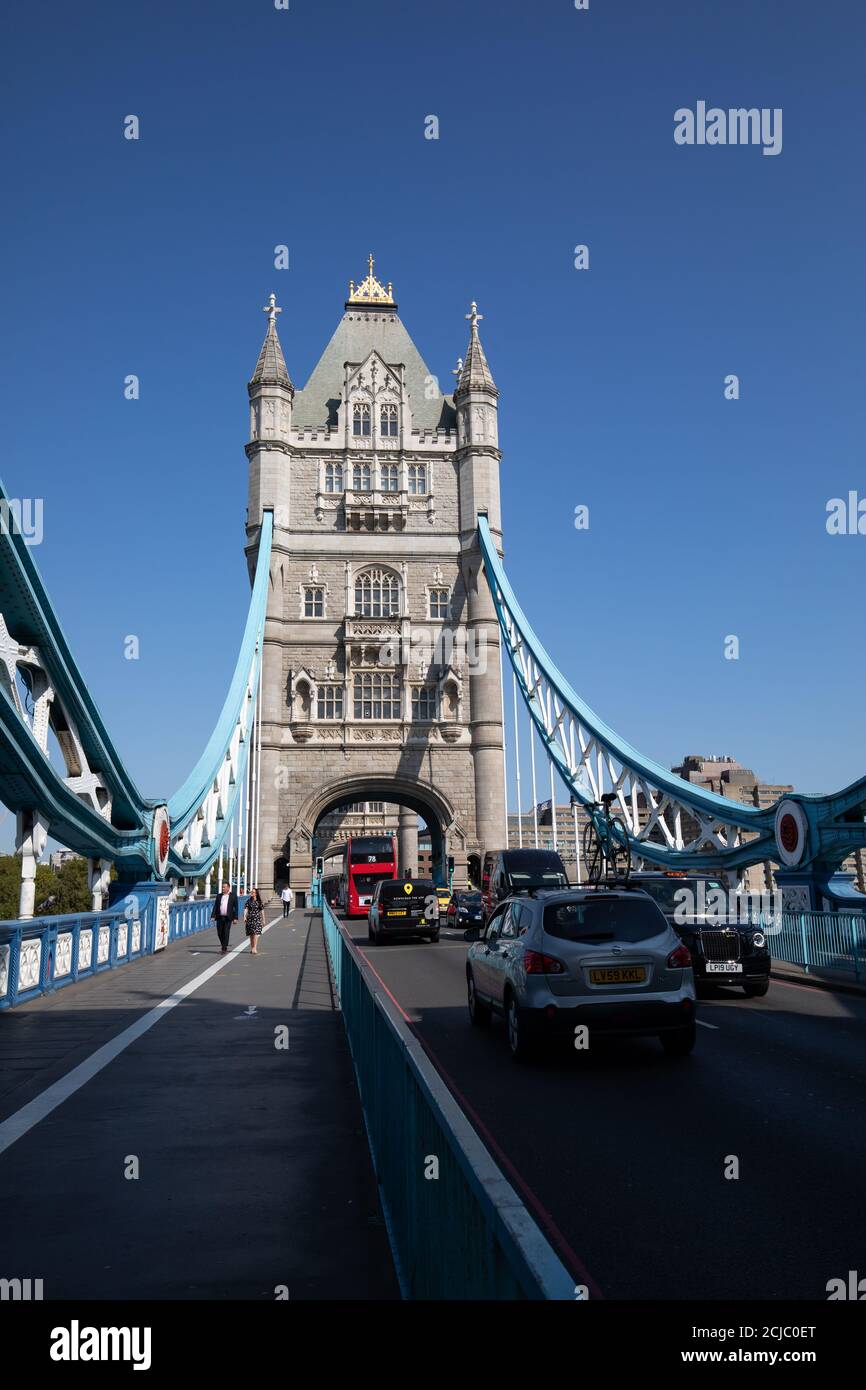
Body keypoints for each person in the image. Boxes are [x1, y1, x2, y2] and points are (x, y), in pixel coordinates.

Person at [211, 880, 238, 954]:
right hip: (219, 917)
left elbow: (236, 907)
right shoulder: (219, 896)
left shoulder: (233, 895)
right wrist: (213, 915)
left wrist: (235, 918)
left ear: (228, 888)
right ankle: (224, 945)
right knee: (219, 933)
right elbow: (216, 906)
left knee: (226, 932)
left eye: (224, 887)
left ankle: (224, 948)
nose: (223, 888)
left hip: (228, 917)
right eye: (222, 887)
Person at [244, 887, 265, 954]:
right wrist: (244, 917)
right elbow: (246, 909)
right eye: (251, 892)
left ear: (256, 894)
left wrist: (263, 919)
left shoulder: (259, 902)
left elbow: (262, 911)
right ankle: (252, 947)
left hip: (257, 919)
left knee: (255, 933)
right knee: (251, 934)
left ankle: (254, 948)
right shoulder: (248, 901)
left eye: (253, 892)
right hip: (250, 919)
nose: (251, 893)